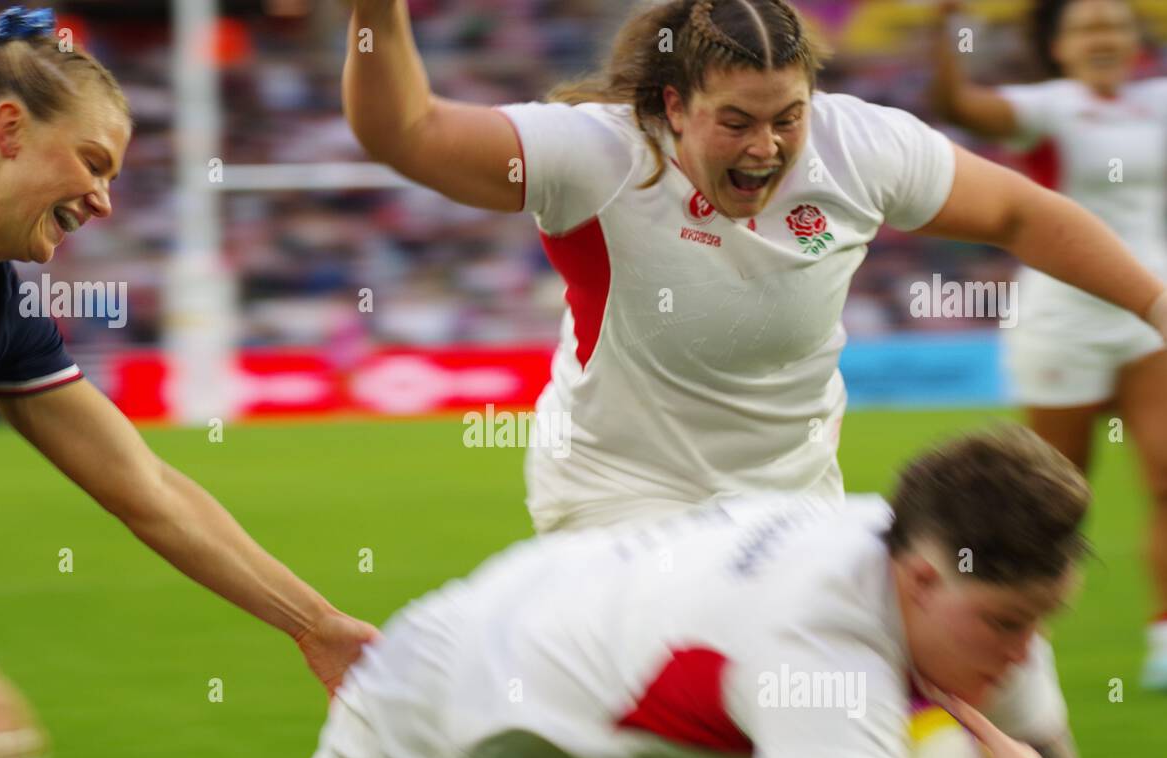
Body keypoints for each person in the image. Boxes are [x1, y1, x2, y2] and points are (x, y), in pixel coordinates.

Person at [342, 0, 1167, 536]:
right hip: (616, 499)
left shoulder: (863, 145)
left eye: (788, 118)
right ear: (670, 106)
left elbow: (1024, 213)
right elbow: (405, 134)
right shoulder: (598, 154)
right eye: (735, 121)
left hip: (795, 502)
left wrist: (1156, 303)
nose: (766, 146)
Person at [0, 6, 375, 758]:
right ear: (9, 128)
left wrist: (314, 624)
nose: (104, 200)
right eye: (93, 164)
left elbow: (148, 488)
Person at [194, 425, 1160, 758]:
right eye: (1005, 623)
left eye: (1041, 621)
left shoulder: (950, 577)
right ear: (918, 579)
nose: (1025, 651)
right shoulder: (817, 642)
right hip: (446, 729)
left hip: (593, 752)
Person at [930, 0, 1167, 690]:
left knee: (1165, 475)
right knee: (1055, 497)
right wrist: (947, 32)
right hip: (1062, 317)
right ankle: (1017, 642)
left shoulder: (1158, 100)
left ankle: (1162, 638)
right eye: (1087, 27)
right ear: (1058, 47)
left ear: (1135, 41)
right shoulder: (1048, 108)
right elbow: (959, 107)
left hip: (1150, 310)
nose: (1104, 38)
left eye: (1116, 26)